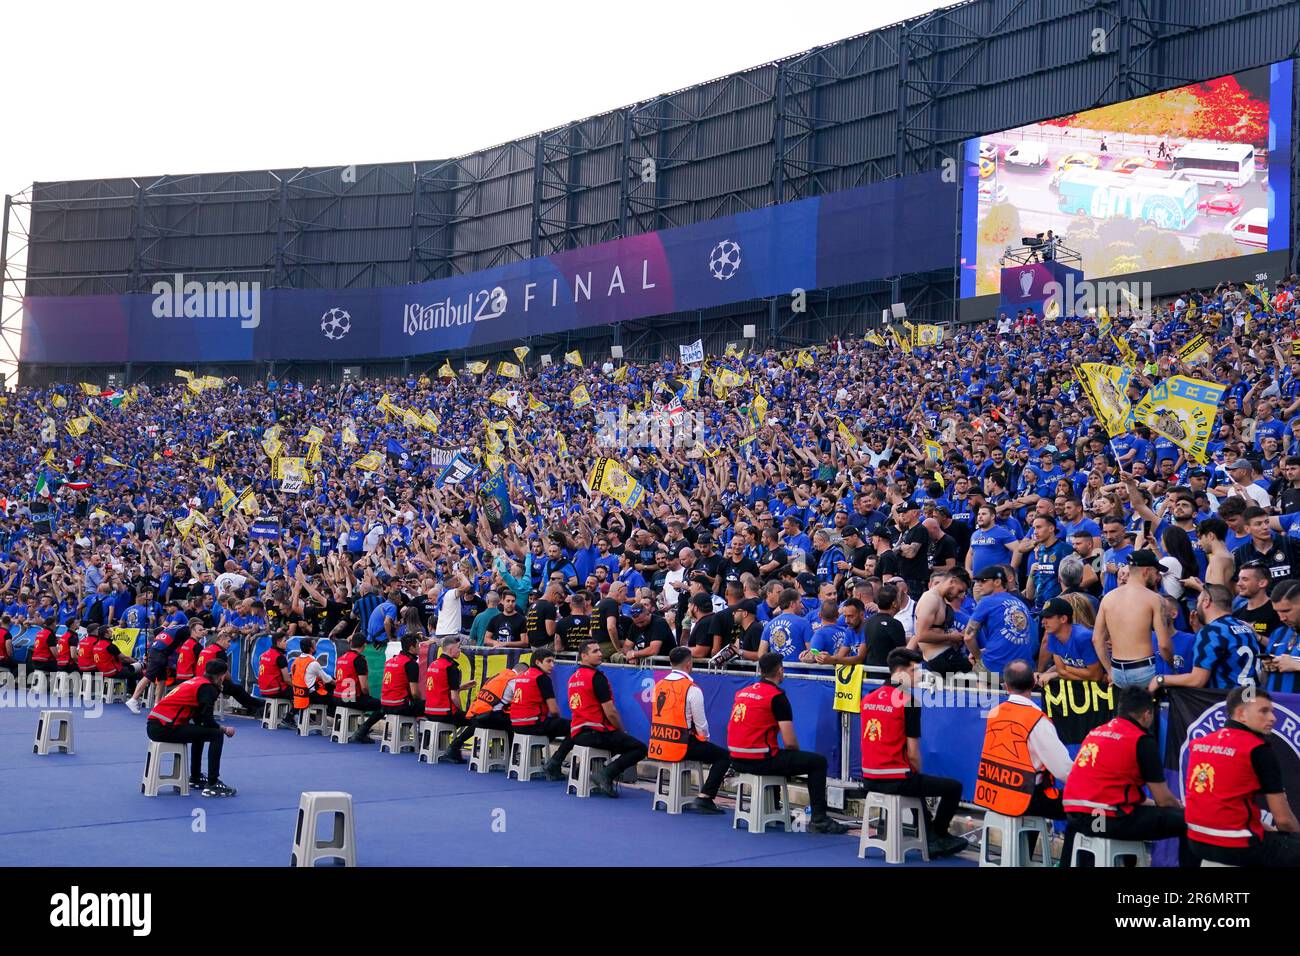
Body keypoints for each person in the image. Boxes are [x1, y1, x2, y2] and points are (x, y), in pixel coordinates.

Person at [1061, 687, 1191, 867]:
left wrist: (1155, 803)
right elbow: (1163, 800)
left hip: (1076, 819)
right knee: (1188, 821)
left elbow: (1119, 793)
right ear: (1147, 714)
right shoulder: (1141, 740)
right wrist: (1182, 806)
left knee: (1132, 817)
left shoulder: (1095, 732)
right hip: (1105, 821)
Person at [859, 647, 966, 856]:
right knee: (953, 787)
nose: (919, 676)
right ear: (901, 672)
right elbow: (913, 753)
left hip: (869, 777)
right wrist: (915, 771)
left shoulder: (868, 698)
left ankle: (931, 836)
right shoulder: (908, 701)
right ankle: (938, 835)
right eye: (914, 671)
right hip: (895, 778)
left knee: (915, 781)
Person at [726, 652, 849, 833]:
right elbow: (790, 742)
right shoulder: (777, 696)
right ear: (780, 670)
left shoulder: (742, 692)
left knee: (777, 753)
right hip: (760, 761)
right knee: (817, 762)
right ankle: (819, 819)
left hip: (736, 759)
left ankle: (775, 808)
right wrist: (795, 755)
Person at [1184, 686, 1300, 866]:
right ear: (1241, 714)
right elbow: (1284, 821)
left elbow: (1221, 804)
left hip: (1195, 843)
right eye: (1264, 711)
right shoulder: (1258, 749)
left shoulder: (1198, 743)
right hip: (1237, 847)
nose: (1273, 718)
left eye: (1272, 711)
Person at [972, 661, 1074, 858]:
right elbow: (1064, 771)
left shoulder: (995, 713)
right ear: (1033, 683)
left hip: (994, 794)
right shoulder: (1037, 720)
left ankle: (1022, 858)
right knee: (1082, 810)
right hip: (1025, 797)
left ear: (1006, 686)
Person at [544, 640, 647, 796]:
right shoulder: (596, 677)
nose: (600, 654)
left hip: (577, 733)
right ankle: (606, 774)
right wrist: (621, 730)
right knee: (639, 748)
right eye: (595, 651)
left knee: (615, 742)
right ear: (584, 656)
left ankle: (580, 768)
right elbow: (610, 712)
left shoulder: (573, 677)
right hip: (595, 732)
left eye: (599, 650)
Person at [647, 646, 731, 813]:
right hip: (681, 745)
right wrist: (704, 739)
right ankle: (705, 797)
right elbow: (701, 725)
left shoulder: (659, 685)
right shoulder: (691, 688)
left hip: (658, 744)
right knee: (724, 756)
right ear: (688, 664)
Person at [146, 659, 237, 796]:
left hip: (156, 724)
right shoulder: (208, 688)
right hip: (164, 727)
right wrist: (224, 729)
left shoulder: (195, 681)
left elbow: (200, 719)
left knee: (199, 731)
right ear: (221, 676)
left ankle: (195, 777)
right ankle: (213, 784)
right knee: (216, 735)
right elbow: (208, 720)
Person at [1150, 584, 1261, 692]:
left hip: (1228, 699)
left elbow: (1197, 680)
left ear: (1206, 601)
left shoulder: (1211, 631)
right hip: (1252, 696)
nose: (1197, 606)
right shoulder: (1244, 626)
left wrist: (1160, 679)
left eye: (1198, 601)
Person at [1092, 550, 1172, 688]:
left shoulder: (1108, 598)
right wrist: (1171, 665)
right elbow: (1164, 645)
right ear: (1146, 571)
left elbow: (1097, 639)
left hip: (1117, 670)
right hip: (1144, 669)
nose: (1158, 577)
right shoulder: (1155, 599)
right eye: (1156, 572)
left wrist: (1110, 671)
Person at [442, 658, 525, 763]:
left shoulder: (498, 675)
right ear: (522, 672)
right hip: (489, 716)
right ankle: (511, 757)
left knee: (479, 722)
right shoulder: (514, 680)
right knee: (514, 723)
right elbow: (521, 699)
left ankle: (454, 746)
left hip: (476, 712)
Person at [963, 565, 1036, 675]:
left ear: (997, 582)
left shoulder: (987, 601)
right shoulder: (1020, 603)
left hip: (996, 670)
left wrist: (979, 658)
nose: (979, 584)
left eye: (983, 581)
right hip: (1025, 670)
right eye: (977, 581)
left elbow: (968, 637)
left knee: (972, 676)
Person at [351, 633, 423, 743]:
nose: (419, 648)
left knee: (383, 706)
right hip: (399, 705)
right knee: (427, 707)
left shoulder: (390, 661)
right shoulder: (411, 664)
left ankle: (361, 731)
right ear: (411, 648)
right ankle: (423, 739)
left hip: (385, 703)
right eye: (418, 645)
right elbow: (414, 693)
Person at [509, 648, 570, 763]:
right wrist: (558, 718)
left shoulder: (521, 676)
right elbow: (553, 710)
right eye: (548, 661)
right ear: (537, 662)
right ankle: (556, 762)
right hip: (532, 724)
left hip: (515, 724)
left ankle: (533, 753)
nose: (552, 665)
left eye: (553, 662)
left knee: (552, 725)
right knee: (575, 728)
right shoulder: (542, 678)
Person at [1038, 597, 1103, 682]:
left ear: (1063, 619)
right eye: (1043, 617)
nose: (1043, 621)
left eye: (1048, 617)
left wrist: (1067, 668)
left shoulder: (1083, 637)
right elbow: (1061, 671)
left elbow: (1096, 676)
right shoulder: (1052, 635)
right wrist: (1050, 673)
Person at [289, 636, 335, 713]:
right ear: (311, 648)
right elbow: (327, 679)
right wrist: (338, 683)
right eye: (314, 644)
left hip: (297, 694)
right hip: (309, 695)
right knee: (334, 697)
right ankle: (330, 717)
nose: (316, 646)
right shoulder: (313, 663)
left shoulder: (296, 661)